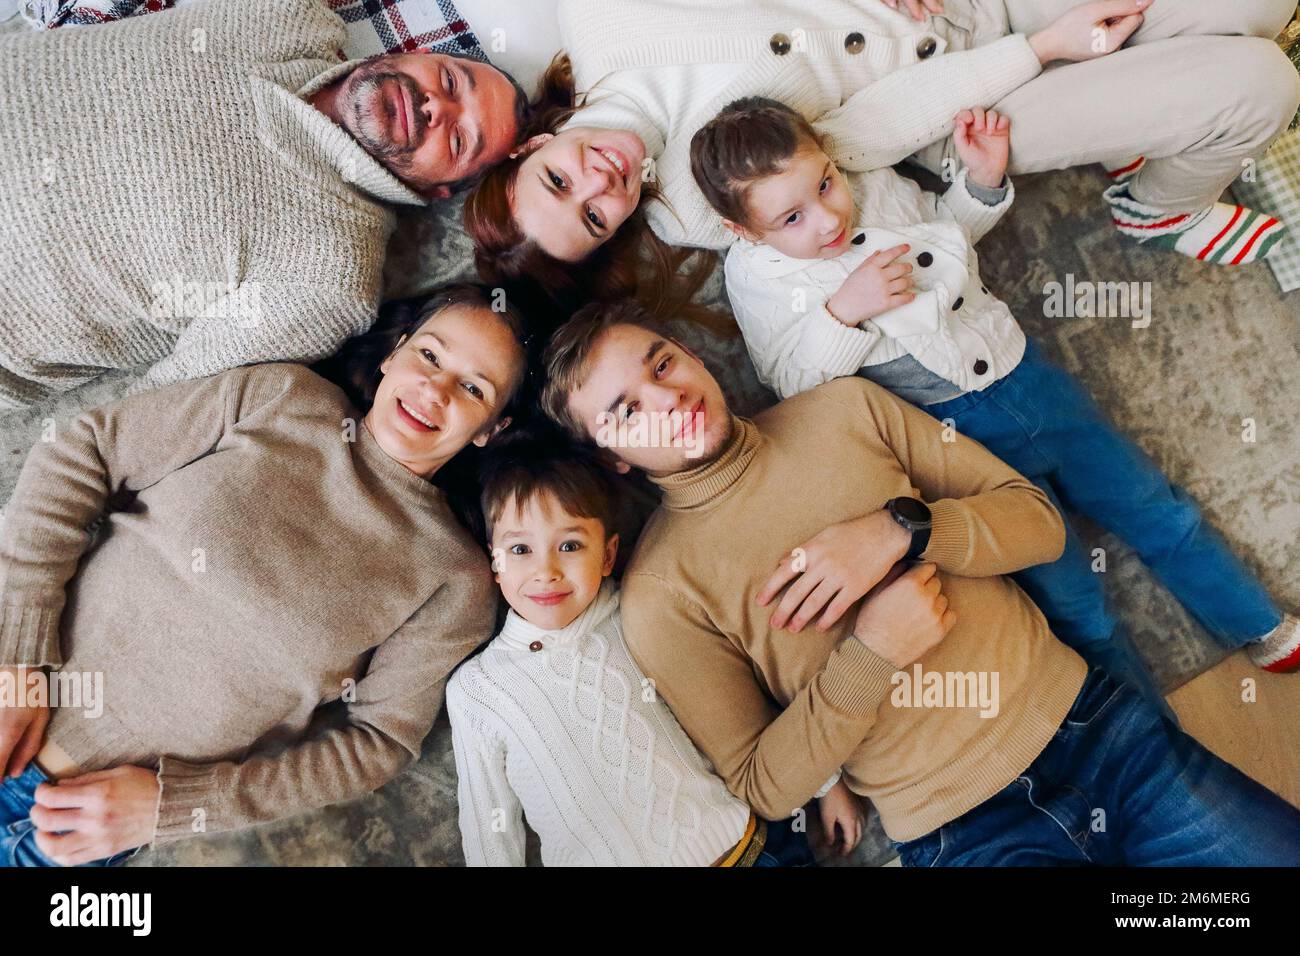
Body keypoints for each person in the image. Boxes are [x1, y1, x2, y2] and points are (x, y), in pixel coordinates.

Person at [535, 301, 1300, 865]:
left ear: (692, 356)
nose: (667, 400)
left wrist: (905, 529)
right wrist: (872, 653)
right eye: (627, 410)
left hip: (1100, 731)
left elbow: (1038, 521)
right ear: (614, 459)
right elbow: (762, 784)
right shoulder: (660, 595)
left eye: (662, 362)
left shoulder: (843, 409)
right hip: (965, 832)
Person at [686, 96, 1299, 678]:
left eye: (824, 184)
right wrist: (844, 311)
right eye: (792, 218)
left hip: (1022, 372)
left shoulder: (873, 186)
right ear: (742, 230)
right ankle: (1142, 739)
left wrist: (979, 185)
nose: (829, 219)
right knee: (1070, 596)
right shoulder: (756, 274)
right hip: (953, 440)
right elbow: (789, 382)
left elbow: (950, 240)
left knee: (1153, 507)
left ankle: (1256, 622)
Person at [0, 284, 526, 867]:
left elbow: (379, 743)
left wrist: (172, 807)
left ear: (491, 429)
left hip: (62, 831)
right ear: (393, 352)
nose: (436, 389)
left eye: (474, 388)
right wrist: (18, 658)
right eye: (430, 354)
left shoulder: (454, 576)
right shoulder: (283, 397)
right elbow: (82, 451)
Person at [465, 0, 1299, 309]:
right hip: (962, 108)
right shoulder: (693, 209)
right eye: (594, 217)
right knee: (1260, 84)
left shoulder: (600, 16)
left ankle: (1145, 131)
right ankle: (1158, 207)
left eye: (558, 177)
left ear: (536, 142)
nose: (598, 182)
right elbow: (861, 135)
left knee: (1258, 4)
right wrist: (1042, 48)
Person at [0, 0, 525, 408]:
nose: (435, 107)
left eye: (458, 140)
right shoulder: (289, 17)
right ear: (416, 52)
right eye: (452, 81)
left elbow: (162, 405)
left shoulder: (331, 277)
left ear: (438, 192)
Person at [447, 436, 847, 866]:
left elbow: (739, 703)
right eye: (520, 549)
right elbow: (489, 829)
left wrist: (826, 784)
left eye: (570, 546)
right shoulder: (478, 690)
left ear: (607, 555)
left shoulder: (643, 612)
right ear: (495, 562)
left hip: (746, 851)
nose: (545, 572)